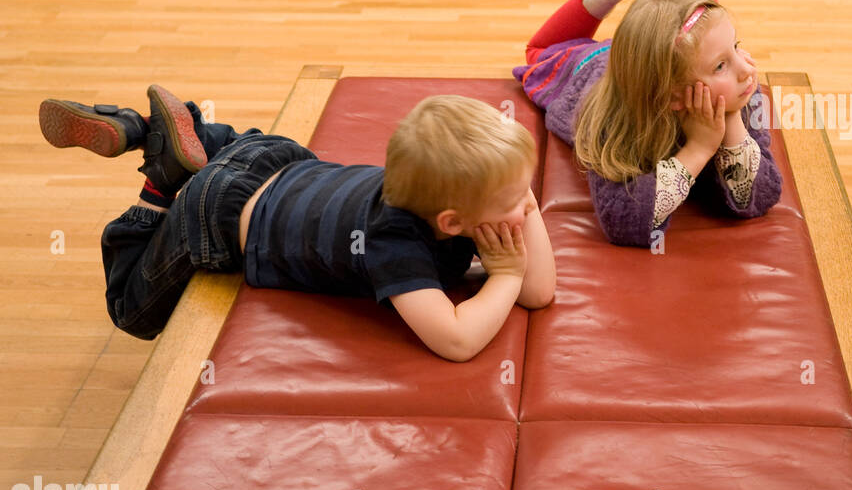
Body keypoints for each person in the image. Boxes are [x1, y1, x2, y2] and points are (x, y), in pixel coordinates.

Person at [39, 85, 555, 361]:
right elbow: (458, 342)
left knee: (226, 153)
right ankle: (159, 184)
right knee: (132, 312)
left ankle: (149, 129)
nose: (530, 203)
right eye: (519, 192)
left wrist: (515, 195)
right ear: (451, 220)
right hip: (214, 213)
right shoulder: (395, 241)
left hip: (274, 158)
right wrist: (506, 274)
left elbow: (541, 294)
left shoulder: (457, 200)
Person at [513, 0, 783, 247]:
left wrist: (732, 119)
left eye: (738, 48)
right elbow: (626, 223)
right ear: (673, 96)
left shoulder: (739, 88)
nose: (747, 69)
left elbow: (759, 197)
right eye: (723, 65)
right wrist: (700, 149)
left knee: (704, 33)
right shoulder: (608, 120)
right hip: (588, 66)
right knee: (538, 54)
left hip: (658, 56)